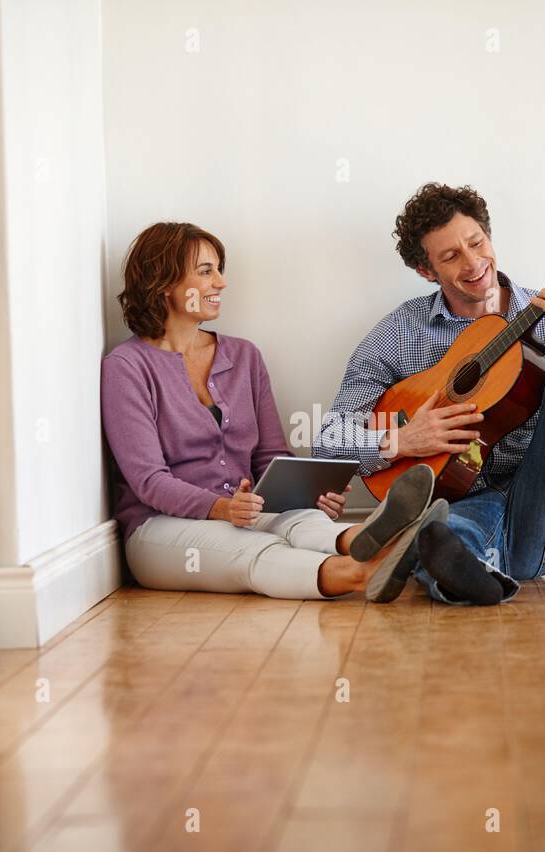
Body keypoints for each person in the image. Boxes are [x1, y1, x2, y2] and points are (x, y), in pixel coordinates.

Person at [313, 184, 545, 605]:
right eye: (450, 256)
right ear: (426, 271)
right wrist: (401, 441)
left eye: (476, 242)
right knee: (434, 538)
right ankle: (469, 577)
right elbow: (328, 440)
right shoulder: (399, 333)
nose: (473, 262)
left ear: (489, 236)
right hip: (463, 504)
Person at [101, 221, 444, 603]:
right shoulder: (127, 367)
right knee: (249, 551)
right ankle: (362, 572)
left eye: (219, 269)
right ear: (162, 283)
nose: (221, 282)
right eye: (205, 271)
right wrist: (221, 508)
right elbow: (149, 480)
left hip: (246, 509)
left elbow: (269, 458)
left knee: (302, 520)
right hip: (159, 528)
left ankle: (371, 536)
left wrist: (307, 493)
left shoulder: (243, 356)